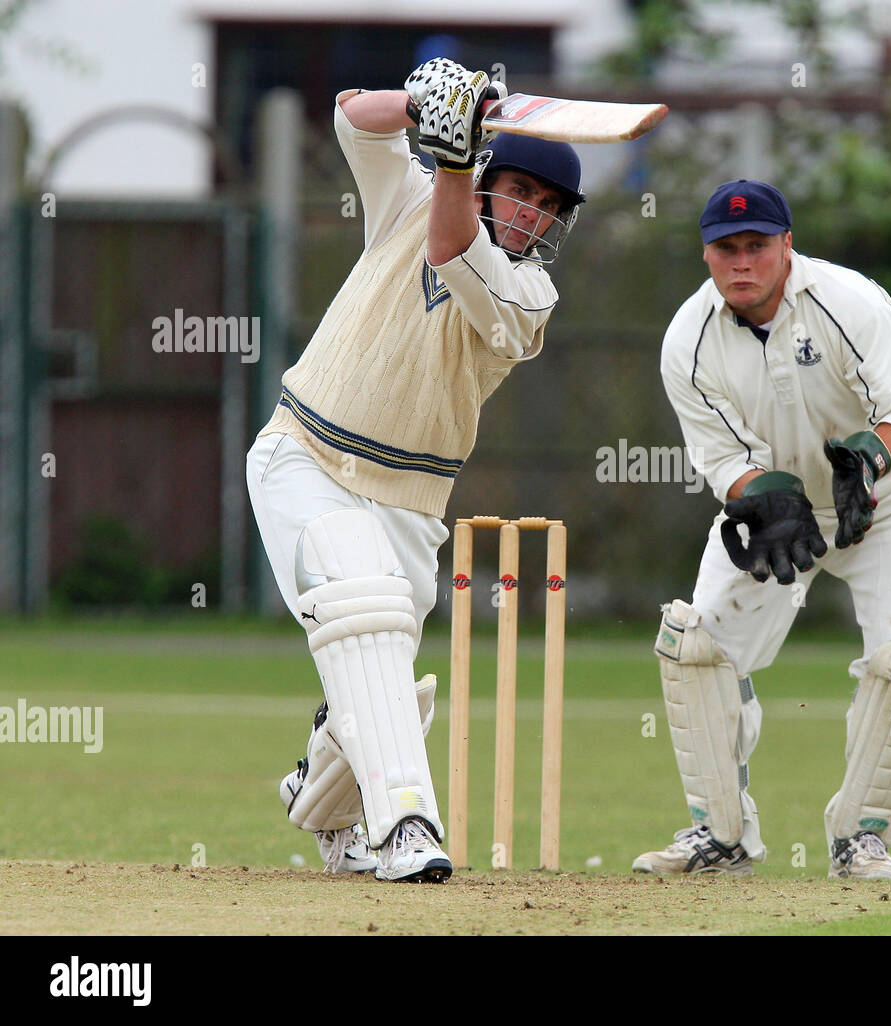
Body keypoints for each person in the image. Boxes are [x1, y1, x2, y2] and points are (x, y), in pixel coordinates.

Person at [245, 58, 585, 883]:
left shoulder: (527, 298)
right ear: (490, 176)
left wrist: (460, 153)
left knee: (387, 675)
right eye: (521, 191)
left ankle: (321, 801)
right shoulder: (406, 192)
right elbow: (355, 120)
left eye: (547, 208)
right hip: (307, 453)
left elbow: (449, 243)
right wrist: (423, 102)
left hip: (410, 504)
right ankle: (406, 827)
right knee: (363, 612)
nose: (529, 215)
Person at [635, 179, 891, 880]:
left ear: (787, 246)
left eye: (756, 247)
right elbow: (721, 457)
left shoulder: (851, 302)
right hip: (786, 515)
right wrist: (766, 497)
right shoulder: (688, 339)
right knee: (695, 648)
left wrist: (866, 460)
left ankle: (861, 837)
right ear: (707, 254)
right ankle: (719, 835)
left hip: (889, 501)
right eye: (726, 249)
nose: (741, 263)